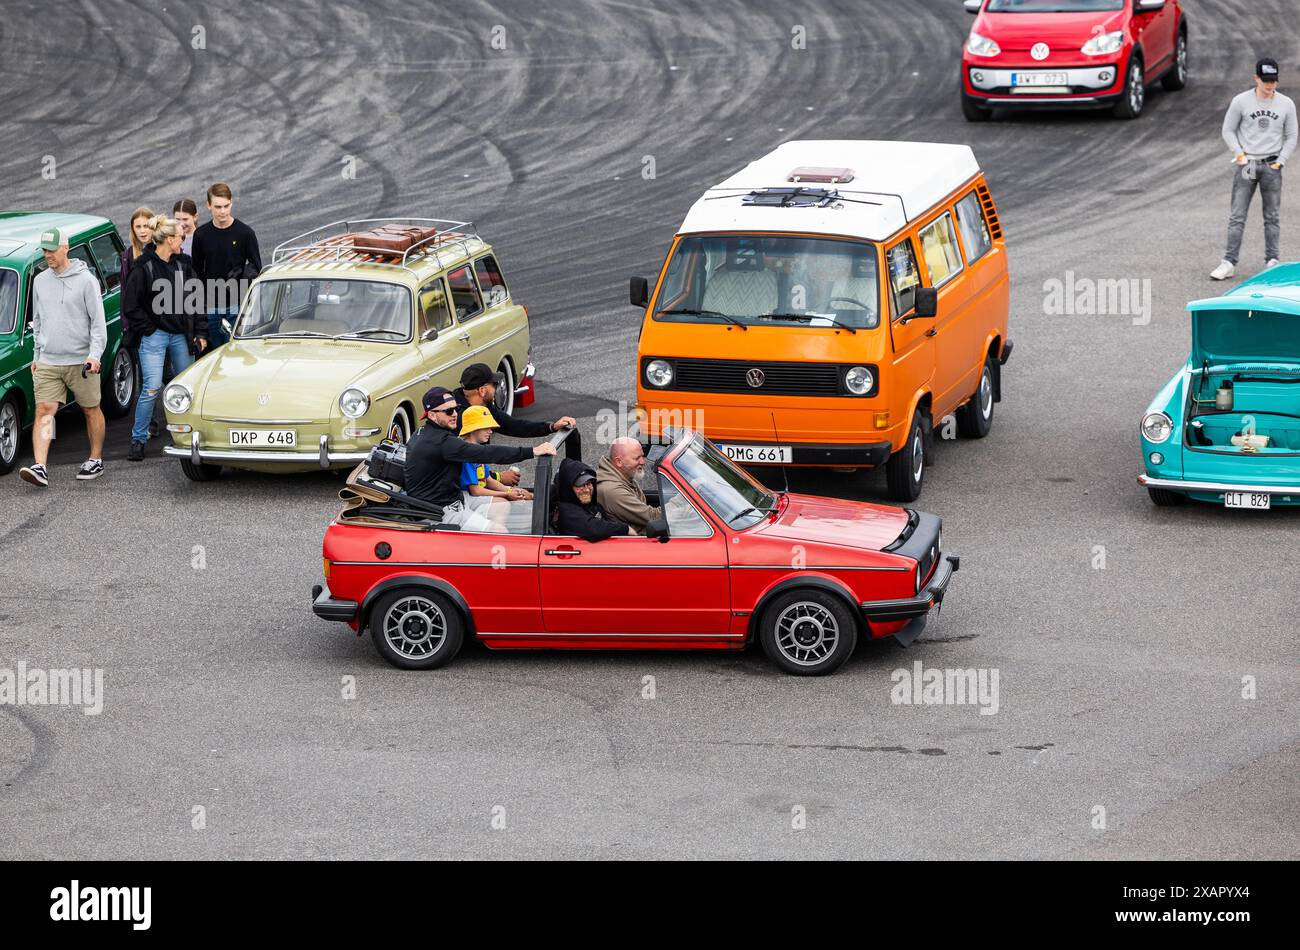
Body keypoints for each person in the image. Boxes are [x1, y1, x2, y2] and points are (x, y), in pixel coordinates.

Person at [18, 228, 108, 487]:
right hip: (48, 360)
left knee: (90, 409)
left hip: (81, 361)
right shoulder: (40, 281)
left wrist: (94, 355)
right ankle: (40, 466)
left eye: (52, 250)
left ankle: (95, 458)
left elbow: (98, 324)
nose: (48, 255)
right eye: (45, 250)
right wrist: (37, 354)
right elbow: (39, 321)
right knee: (45, 411)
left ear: (66, 248)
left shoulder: (86, 280)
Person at [405, 386, 555, 530]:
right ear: (432, 415)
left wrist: (507, 490)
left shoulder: (422, 433)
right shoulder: (443, 443)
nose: (455, 414)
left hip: (450, 499)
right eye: (449, 411)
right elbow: (488, 453)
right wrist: (533, 451)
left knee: (501, 507)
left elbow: (485, 473)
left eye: (456, 409)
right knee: (498, 530)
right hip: (440, 512)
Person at [122, 215, 208, 461]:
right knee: (151, 388)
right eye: (181, 237)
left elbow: (196, 300)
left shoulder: (184, 264)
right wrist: (149, 328)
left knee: (189, 387)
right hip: (154, 337)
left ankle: (190, 435)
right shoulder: (143, 267)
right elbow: (131, 305)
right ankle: (138, 440)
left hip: (181, 335)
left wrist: (200, 332)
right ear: (169, 240)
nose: (183, 240)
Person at [1212, 58, 1298, 280]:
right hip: (1247, 164)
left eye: (1274, 81)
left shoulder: (1286, 103)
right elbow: (1228, 130)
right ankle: (1229, 262)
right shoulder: (1241, 101)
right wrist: (1238, 153)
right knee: (1237, 216)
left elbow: (1292, 135)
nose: (1270, 86)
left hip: (1272, 165)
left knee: (1272, 216)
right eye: (1266, 81)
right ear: (1256, 79)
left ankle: (1272, 260)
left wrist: (1281, 160)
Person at [453, 362, 576, 487]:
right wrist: (499, 477)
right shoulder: (457, 419)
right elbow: (481, 456)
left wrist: (551, 427)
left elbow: (513, 426)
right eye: (494, 385)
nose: (496, 389)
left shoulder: (483, 407)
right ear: (482, 390)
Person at [191, 182, 261, 349]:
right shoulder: (201, 235)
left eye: (226, 206)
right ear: (209, 206)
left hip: (238, 305)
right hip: (212, 306)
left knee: (236, 352)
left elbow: (257, 267)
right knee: (215, 354)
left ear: (232, 202)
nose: (222, 211)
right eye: (217, 207)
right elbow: (197, 273)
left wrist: (242, 273)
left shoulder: (245, 233)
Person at [458, 405, 534, 531]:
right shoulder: (466, 454)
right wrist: (506, 494)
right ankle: (497, 534)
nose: (491, 431)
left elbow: (488, 479)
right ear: (473, 428)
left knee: (518, 496)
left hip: (477, 494)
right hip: (464, 498)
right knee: (501, 504)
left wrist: (510, 491)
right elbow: (475, 490)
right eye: (486, 427)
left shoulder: (477, 450)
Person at [552, 457, 630, 542]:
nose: (587, 489)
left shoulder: (595, 507)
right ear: (569, 488)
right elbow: (593, 529)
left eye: (589, 483)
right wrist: (626, 529)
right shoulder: (566, 512)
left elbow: (608, 524)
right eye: (580, 485)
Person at [596, 437, 661, 534]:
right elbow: (653, 517)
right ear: (619, 462)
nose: (643, 462)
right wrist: (681, 501)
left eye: (642, 456)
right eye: (637, 458)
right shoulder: (613, 490)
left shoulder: (624, 476)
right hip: (636, 544)